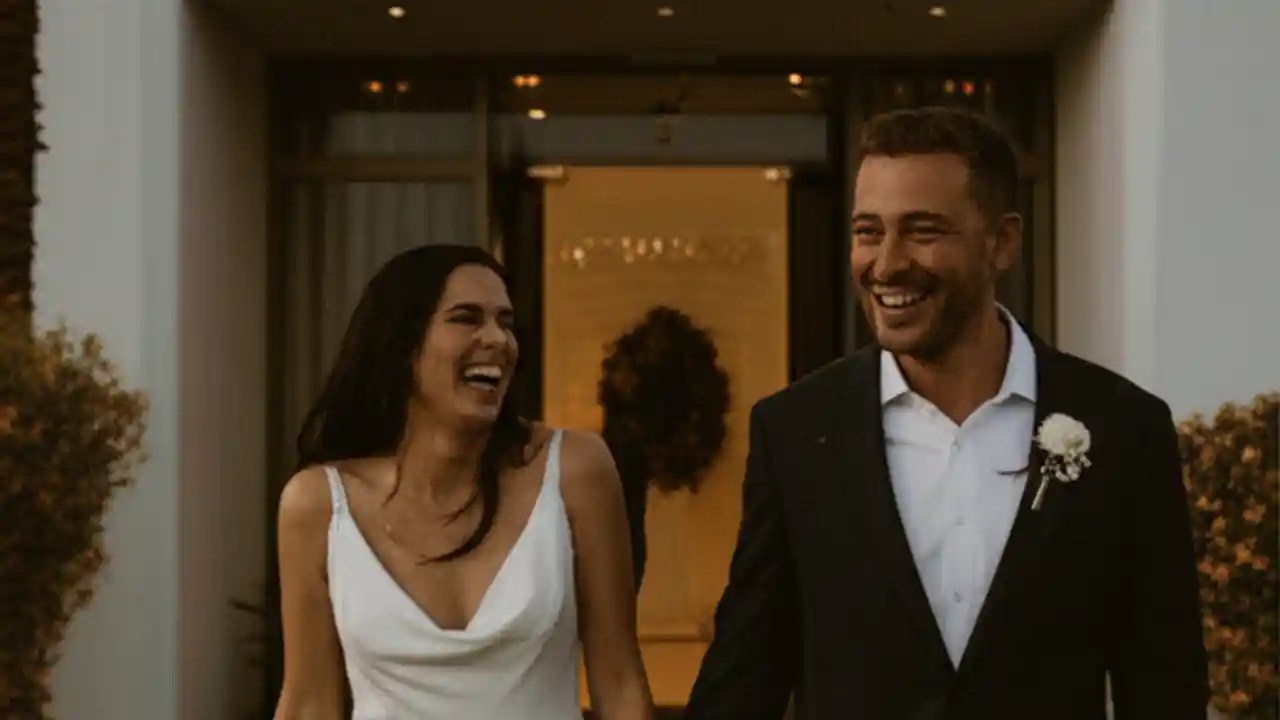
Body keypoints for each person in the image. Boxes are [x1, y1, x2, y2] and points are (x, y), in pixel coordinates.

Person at [685, 107, 1208, 719]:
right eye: (868, 231)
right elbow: (745, 675)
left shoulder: (1124, 428)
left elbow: (1164, 685)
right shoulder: (796, 431)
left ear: (1002, 242)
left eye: (923, 230)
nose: (886, 264)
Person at [273, 245, 653, 719]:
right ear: (401, 346)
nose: (498, 339)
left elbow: (618, 681)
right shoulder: (318, 505)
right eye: (466, 318)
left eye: (506, 322)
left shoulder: (575, 470)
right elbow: (309, 703)